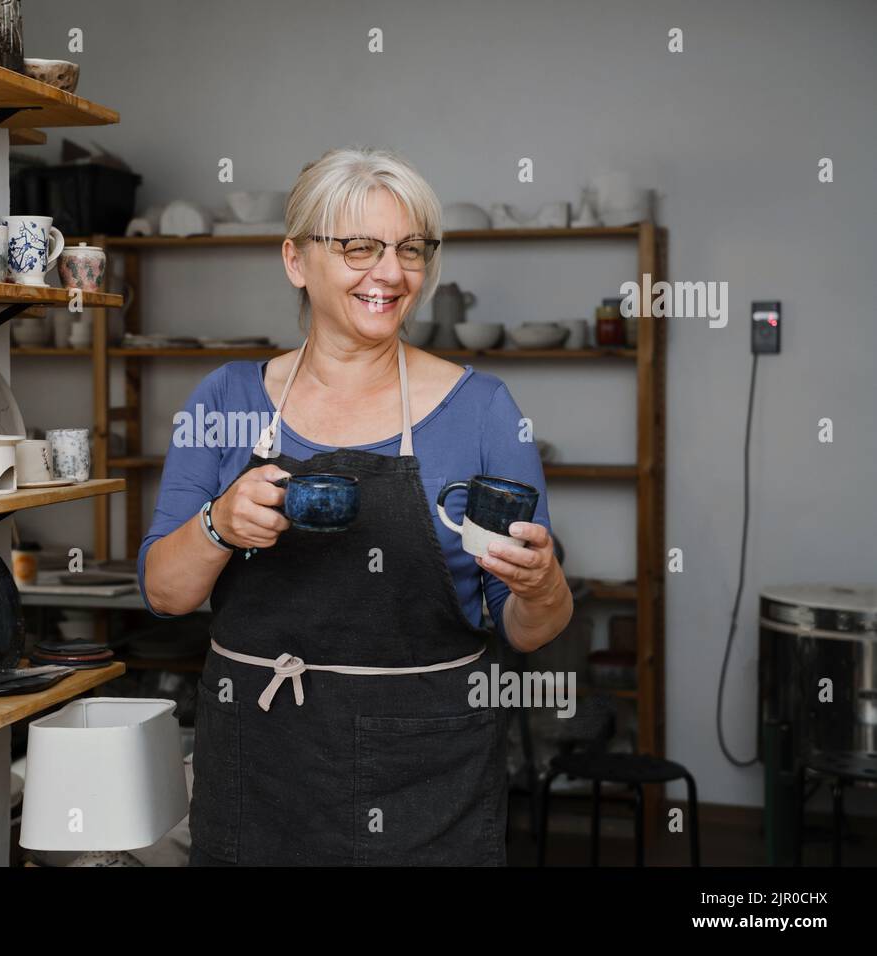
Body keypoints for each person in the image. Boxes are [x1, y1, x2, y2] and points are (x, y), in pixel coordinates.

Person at [139, 146, 573, 865]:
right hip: (259, 765)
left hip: (428, 778)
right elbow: (164, 592)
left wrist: (543, 585)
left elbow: (528, 629)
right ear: (295, 260)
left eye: (410, 250)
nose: (392, 273)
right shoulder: (225, 400)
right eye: (359, 247)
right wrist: (219, 524)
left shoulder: (484, 411)